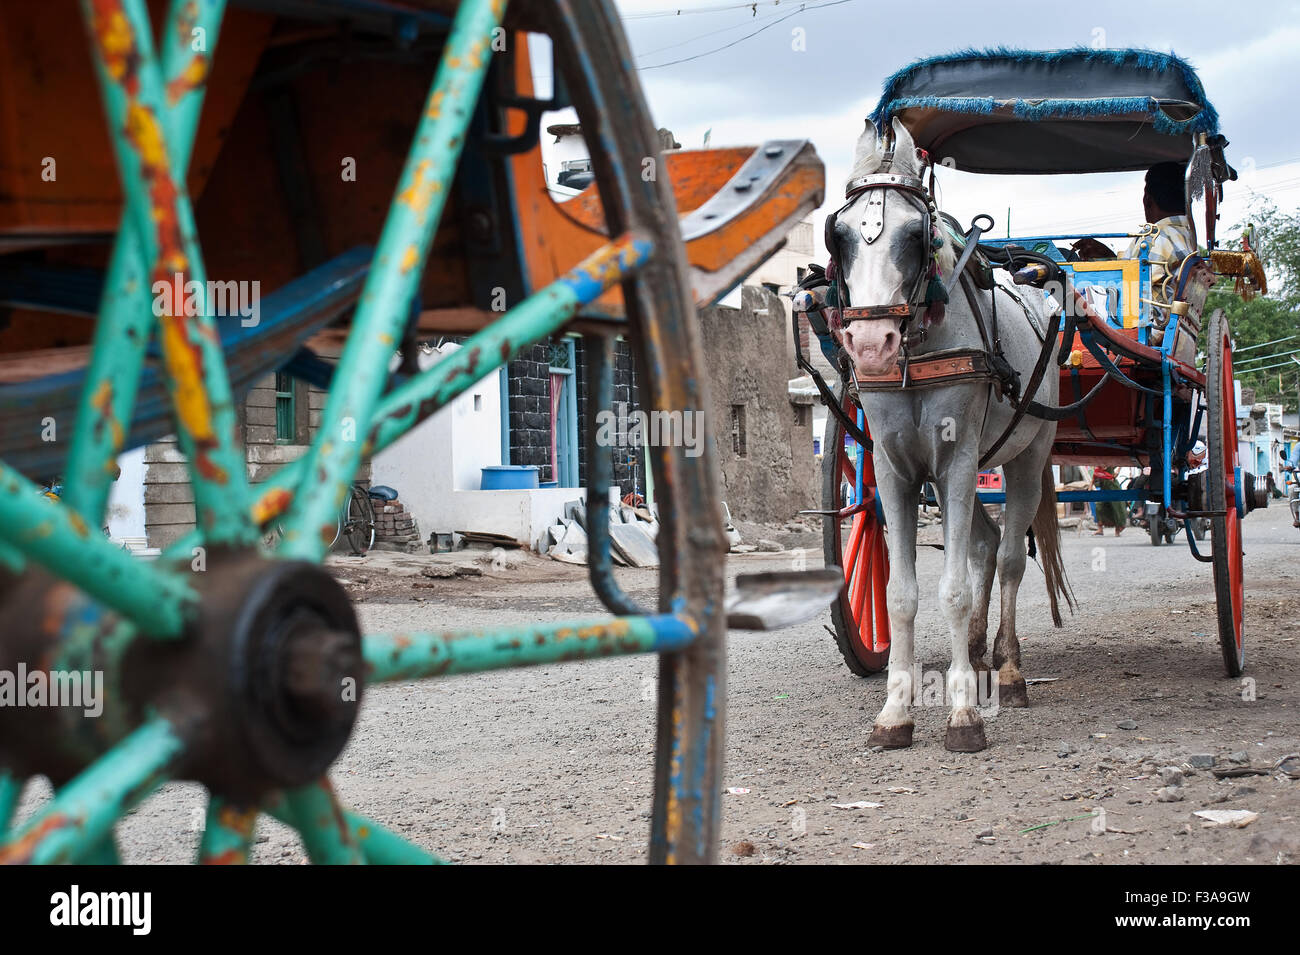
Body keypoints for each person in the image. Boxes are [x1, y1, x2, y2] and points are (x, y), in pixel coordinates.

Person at [1125, 162, 1195, 341]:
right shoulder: (1186, 237)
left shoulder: (1156, 238)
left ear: (1147, 199)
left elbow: (1130, 290)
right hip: (1169, 329)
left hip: (1144, 330)